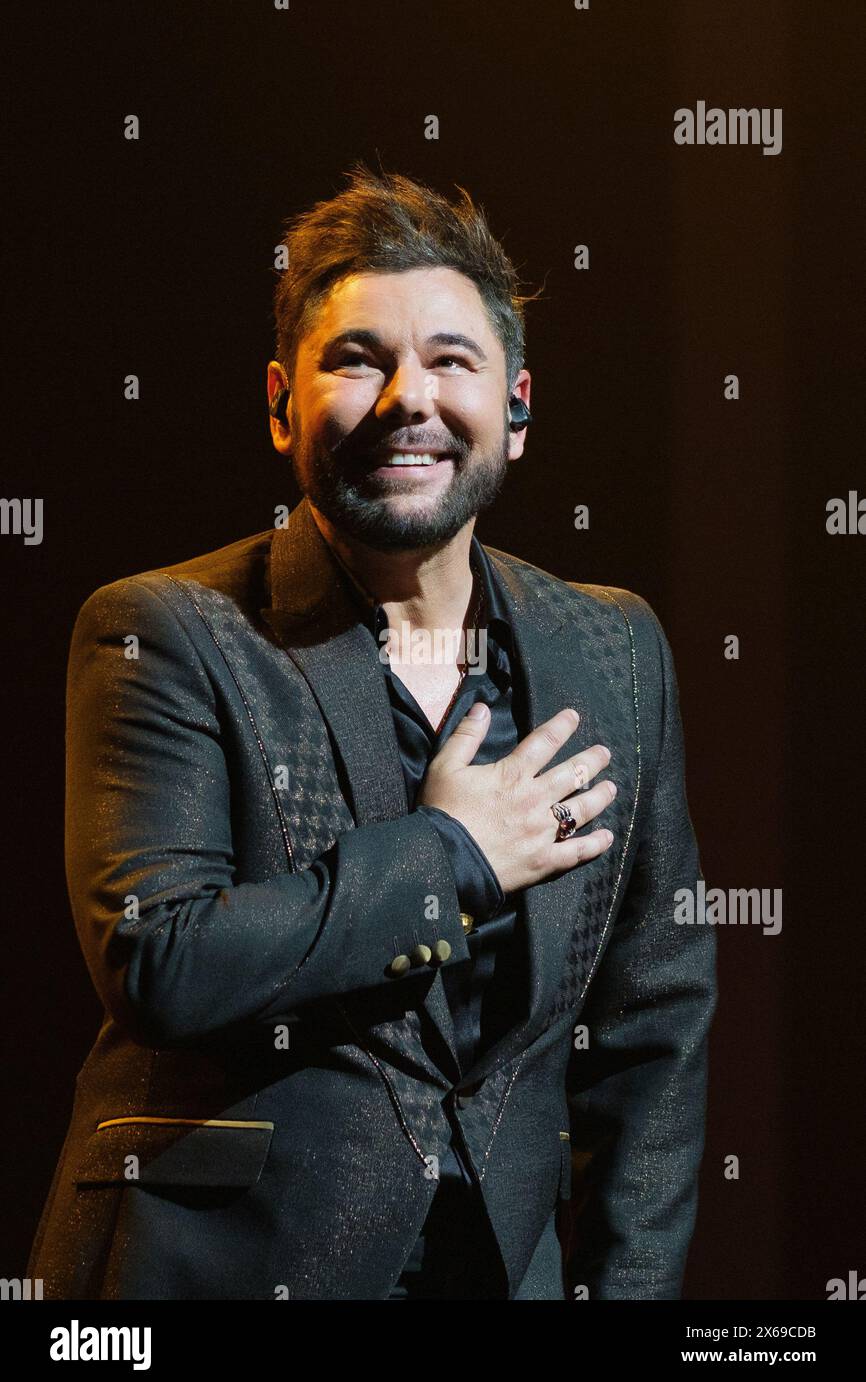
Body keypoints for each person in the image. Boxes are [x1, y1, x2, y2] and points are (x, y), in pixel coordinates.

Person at [27, 162, 717, 1300]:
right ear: (280, 402)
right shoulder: (166, 629)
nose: (408, 396)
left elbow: (654, 1023)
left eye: (451, 360)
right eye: (357, 359)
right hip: (217, 1274)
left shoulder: (613, 650)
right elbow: (161, 956)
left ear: (517, 408)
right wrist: (447, 856)